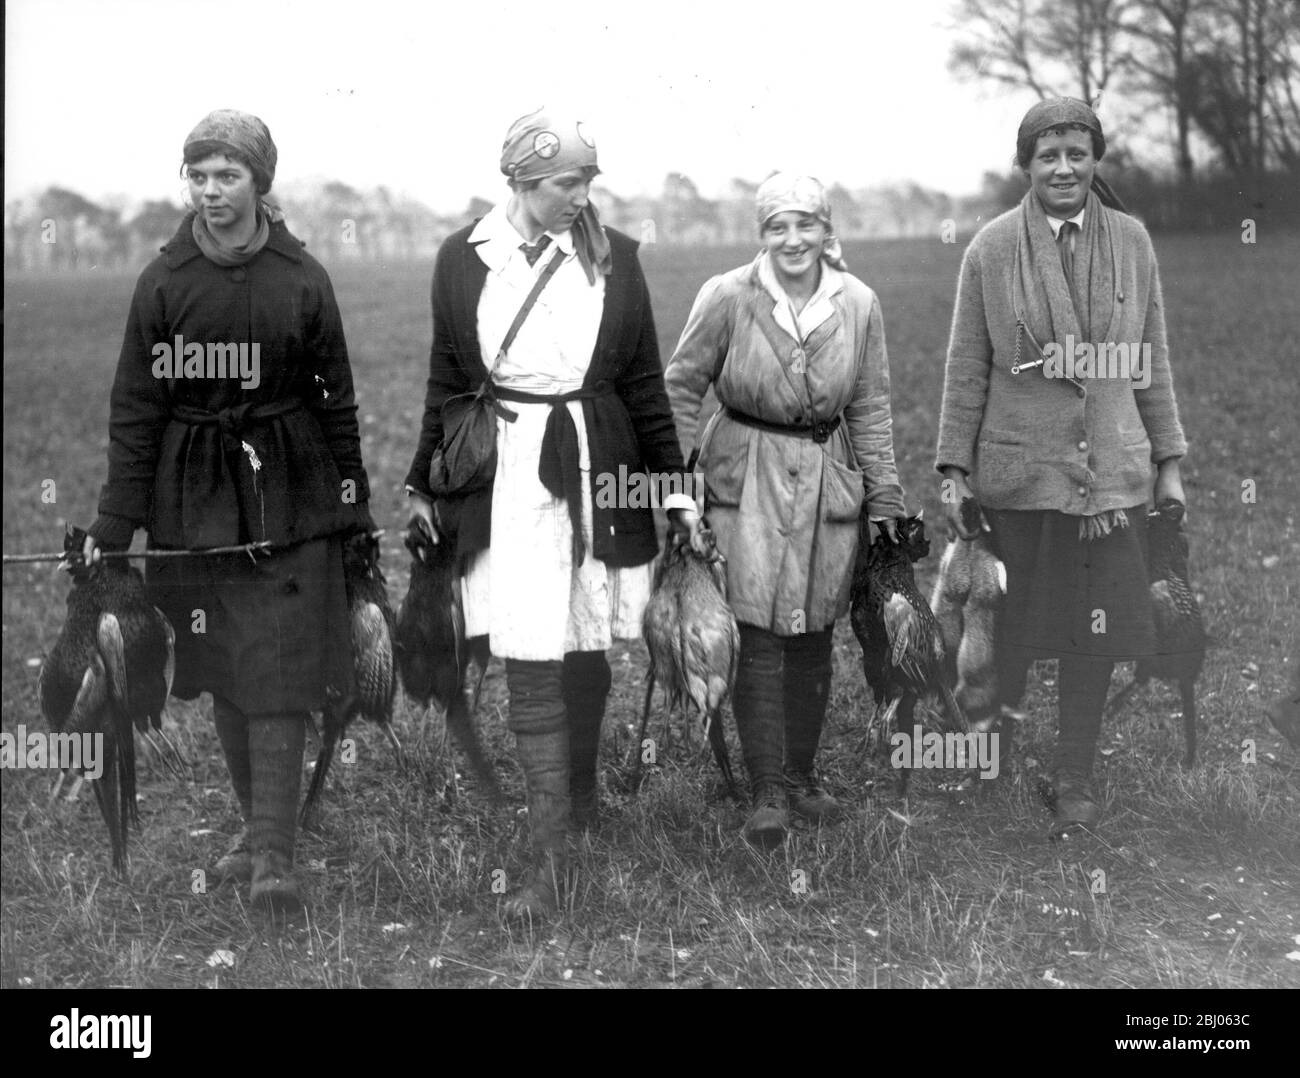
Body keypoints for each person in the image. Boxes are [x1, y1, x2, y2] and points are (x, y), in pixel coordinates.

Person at [404, 109, 700, 920]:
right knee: (532, 646)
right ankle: (546, 851)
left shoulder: (617, 261)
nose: (581, 196)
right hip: (508, 475)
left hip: (599, 461)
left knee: (586, 641)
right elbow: (445, 377)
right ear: (520, 183)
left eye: (587, 181)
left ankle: (580, 797)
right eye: (566, 182)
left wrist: (672, 489)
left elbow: (642, 379)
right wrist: (422, 482)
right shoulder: (463, 261)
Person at [85, 110, 375, 911]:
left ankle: (277, 857)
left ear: (260, 182)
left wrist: (352, 502)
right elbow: (136, 407)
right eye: (199, 176)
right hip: (195, 498)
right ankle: (257, 834)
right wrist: (118, 519)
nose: (211, 192)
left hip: (290, 491)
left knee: (278, 667)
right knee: (223, 670)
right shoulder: (164, 281)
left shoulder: (303, 278)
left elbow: (337, 400)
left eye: (228, 176)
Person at [935, 97, 1188, 836]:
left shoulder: (1134, 244)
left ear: (1094, 159)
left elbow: (1154, 362)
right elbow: (966, 367)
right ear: (1027, 165)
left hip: (1113, 479)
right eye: (1049, 155)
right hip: (1022, 476)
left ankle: (1073, 769)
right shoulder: (989, 248)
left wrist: (1168, 460)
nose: (1065, 167)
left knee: (1097, 633)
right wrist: (954, 468)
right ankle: (992, 751)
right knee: (1009, 627)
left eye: (1078, 153)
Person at [665, 173, 907, 850]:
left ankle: (802, 777)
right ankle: (767, 789)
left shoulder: (858, 303)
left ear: (828, 231)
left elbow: (872, 405)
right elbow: (679, 388)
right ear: (760, 234)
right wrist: (679, 491)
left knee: (813, 634)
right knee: (758, 634)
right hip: (744, 479)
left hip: (828, 480)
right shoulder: (727, 297)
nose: (793, 239)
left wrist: (884, 496)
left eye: (806, 224)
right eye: (777, 226)